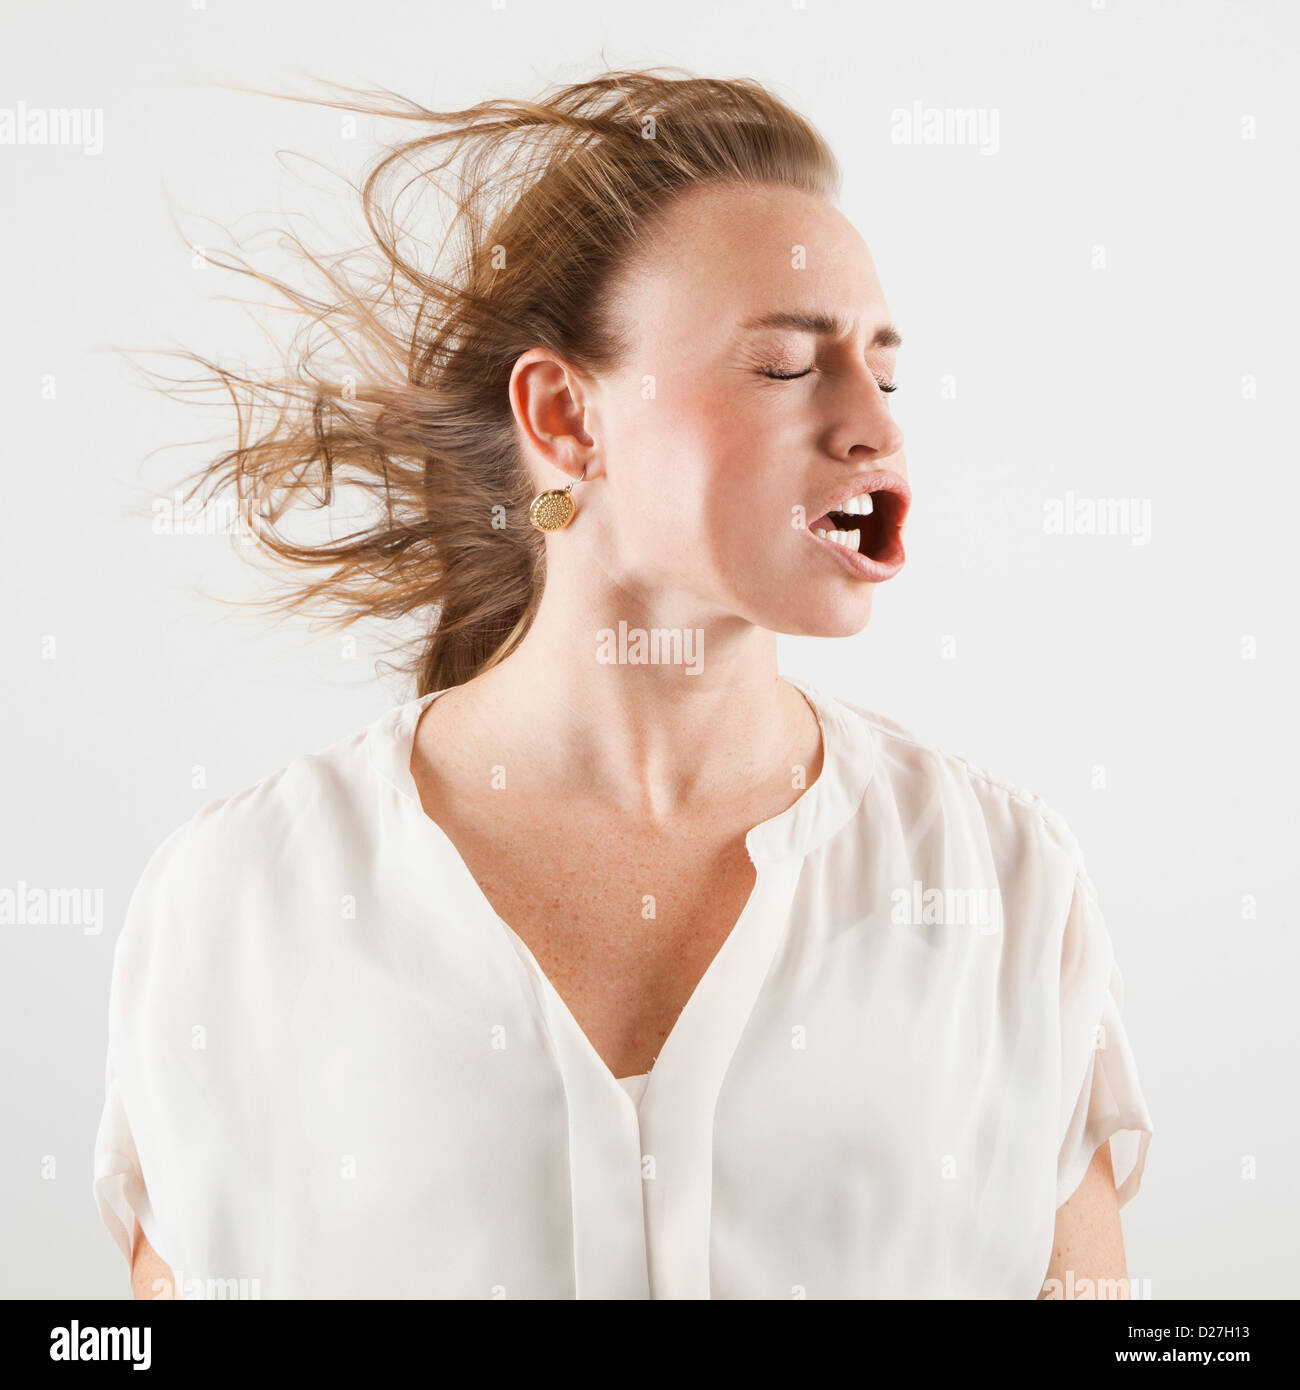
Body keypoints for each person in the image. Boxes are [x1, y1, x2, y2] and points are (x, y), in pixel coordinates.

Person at [93, 67, 1153, 1300]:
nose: (873, 426)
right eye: (782, 367)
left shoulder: (1003, 885)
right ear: (565, 418)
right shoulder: (239, 904)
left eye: (884, 371)